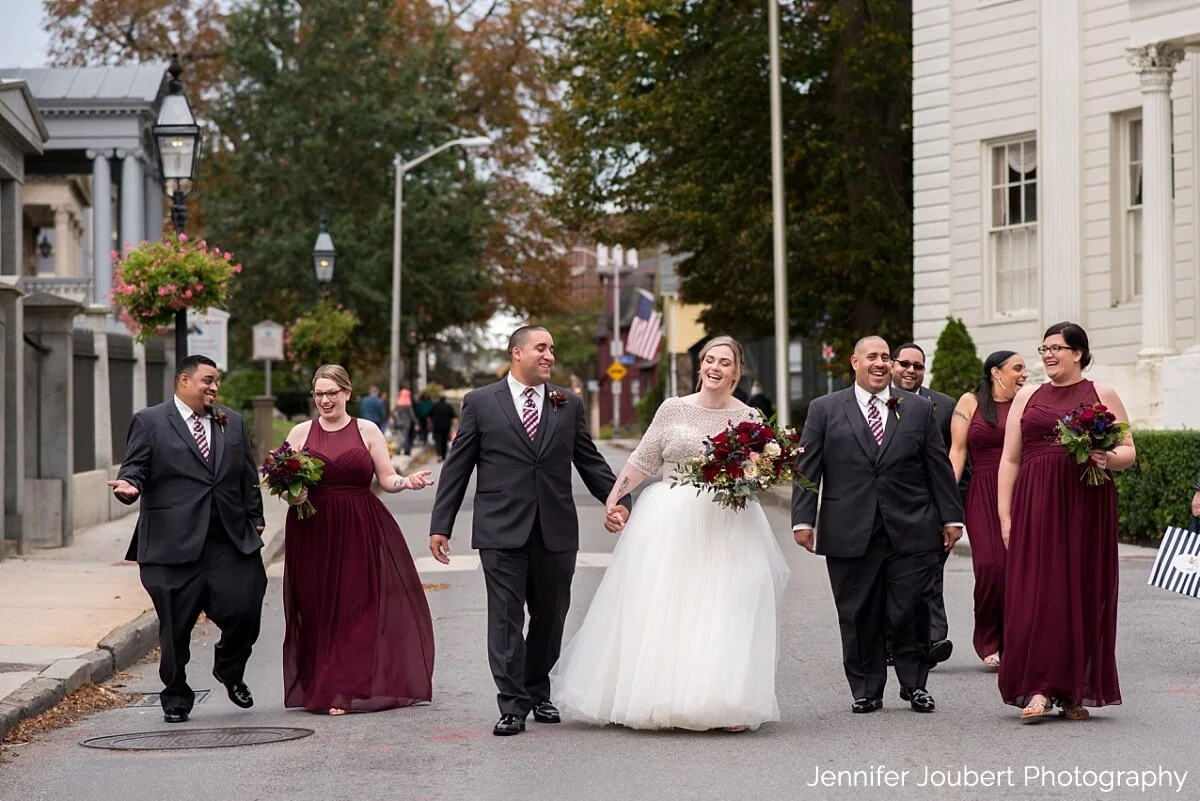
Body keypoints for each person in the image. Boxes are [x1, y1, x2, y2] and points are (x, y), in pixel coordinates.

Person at [550, 336, 790, 732]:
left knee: (726, 607)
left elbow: (761, 472)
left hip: (729, 521)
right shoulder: (673, 408)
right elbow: (642, 461)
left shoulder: (750, 417)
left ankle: (725, 700)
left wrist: (756, 474)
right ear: (700, 366)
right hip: (670, 515)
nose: (715, 367)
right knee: (665, 606)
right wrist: (615, 502)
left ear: (736, 370)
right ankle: (653, 694)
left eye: (724, 362)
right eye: (709, 360)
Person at [428, 325, 629, 737]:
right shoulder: (481, 403)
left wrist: (619, 500)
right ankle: (513, 704)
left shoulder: (567, 404)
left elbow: (589, 461)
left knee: (551, 616)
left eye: (552, 349)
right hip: (500, 529)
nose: (549, 355)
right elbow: (458, 468)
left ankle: (539, 690)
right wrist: (440, 525)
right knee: (504, 617)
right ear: (516, 353)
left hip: (555, 529)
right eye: (541, 347)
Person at [792, 336, 963, 715]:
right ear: (854, 362)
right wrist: (803, 519)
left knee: (913, 610)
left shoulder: (919, 409)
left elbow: (937, 466)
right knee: (858, 612)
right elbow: (807, 469)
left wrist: (951, 517)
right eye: (873, 356)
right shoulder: (824, 409)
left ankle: (915, 685)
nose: (881, 363)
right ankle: (866, 689)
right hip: (848, 528)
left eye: (886, 357)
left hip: (912, 526)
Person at [108, 355, 267, 724]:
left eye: (217, 382)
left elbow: (247, 477)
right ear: (184, 381)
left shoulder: (233, 422)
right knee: (175, 627)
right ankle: (176, 693)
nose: (214, 387)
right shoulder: (150, 422)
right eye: (208, 380)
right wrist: (129, 487)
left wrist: (255, 517)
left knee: (246, 606)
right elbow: (135, 467)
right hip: (172, 542)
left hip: (228, 539)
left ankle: (229, 668)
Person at [281, 364, 436, 715]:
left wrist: (407, 482)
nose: (325, 400)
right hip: (312, 529)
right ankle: (321, 681)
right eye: (319, 394)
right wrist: (294, 496)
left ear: (347, 394)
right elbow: (284, 487)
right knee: (317, 607)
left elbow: (386, 479)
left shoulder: (367, 430)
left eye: (331, 393)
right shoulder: (300, 433)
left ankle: (343, 688)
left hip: (358, 526)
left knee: (354, 607)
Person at [997, 322, 1133, 723]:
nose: (1048, 355)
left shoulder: (1101, 394)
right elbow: (1010, 459)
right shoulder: (1026, 395)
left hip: (1087, 505)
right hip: (1036, 505)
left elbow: (1129, 450)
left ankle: (1073, 690)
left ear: (1078, 353)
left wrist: (1106, 458)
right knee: (1039, 593)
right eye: (1044, 349)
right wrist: (1005, 514)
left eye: (1056, 348)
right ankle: (1038, 689)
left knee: (1081, 592)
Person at [947, 350, 1027, 669]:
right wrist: (945, 498)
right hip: (982, 491)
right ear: (996, 372)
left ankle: (1015, 642)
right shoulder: (970, 402)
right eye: (1017, 368)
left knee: (1017, 569)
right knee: (991, 567)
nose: (1024, 373)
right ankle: (988, 637)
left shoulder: (1028, 400)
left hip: (1020, 490)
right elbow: (957, 450)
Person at [890, 343, 959, 667]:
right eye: (904, 363)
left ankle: (934, 640)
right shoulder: (874, 403)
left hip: (928, 507)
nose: (910, 370)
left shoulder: (944, 406)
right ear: (893, 366)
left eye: (917, 366)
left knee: (929, 576)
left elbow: (953, 461)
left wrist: (952, 513)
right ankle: (893, 643)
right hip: (887, 507)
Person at [428, 394, 457, 461]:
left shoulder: (434, 406)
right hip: (446, 427)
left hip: (436, 427)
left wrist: (429, 425)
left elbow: (429, 416)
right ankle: (443, 455)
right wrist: (455, 426)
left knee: (438, 441)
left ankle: (439, 455)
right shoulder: (448, 406)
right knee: (444, 441)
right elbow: (454, 417)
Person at [390, 388, 418, 455]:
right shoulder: (408, 404)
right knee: (405, 437)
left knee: (399, 436)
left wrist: (395, 419)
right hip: (406, 423)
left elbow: (393, 413)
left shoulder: (398, 403)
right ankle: (405, 450)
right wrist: (416, 423)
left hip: (398, 423)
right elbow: (412, 415)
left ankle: (398, 449)